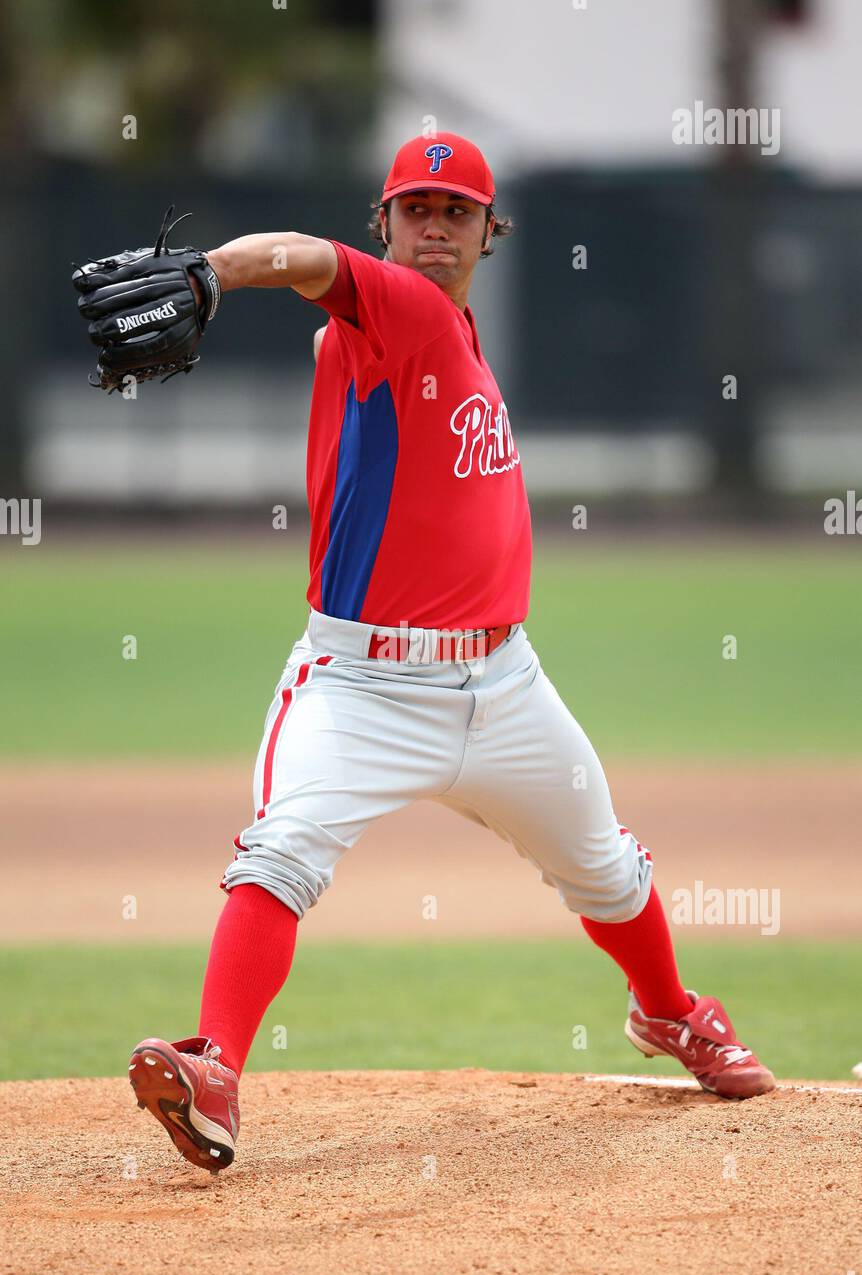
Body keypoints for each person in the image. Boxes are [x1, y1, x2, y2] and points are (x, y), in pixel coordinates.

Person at [129, 132, 775, 1173]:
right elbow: (306, 258)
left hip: (504, 682)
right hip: (364, 687)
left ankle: (669, 1014)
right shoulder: (399, 304)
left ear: (489, 231)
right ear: (382, 225)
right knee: (282, 853)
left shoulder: (449, 335)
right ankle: (214, 1068)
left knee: (607, 868)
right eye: (414, 209)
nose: (434, 227)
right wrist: (214, 270)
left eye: (456, 211)